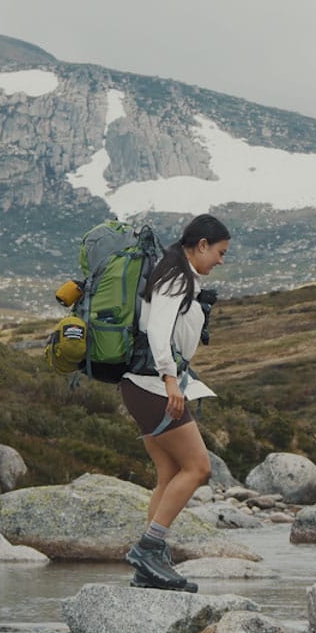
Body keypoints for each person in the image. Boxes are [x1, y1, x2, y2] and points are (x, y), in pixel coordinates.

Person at [118, 214, 230, 591]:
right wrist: (170, 380)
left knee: (168, 474)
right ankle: (149, 548)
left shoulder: (181, 276)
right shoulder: (175, 278)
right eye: (219, 252)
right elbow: (159, 333)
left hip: (143, 386)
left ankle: (147, 569)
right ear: (201, 245)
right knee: (198, 468)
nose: (220, 260)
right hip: (153, 387)